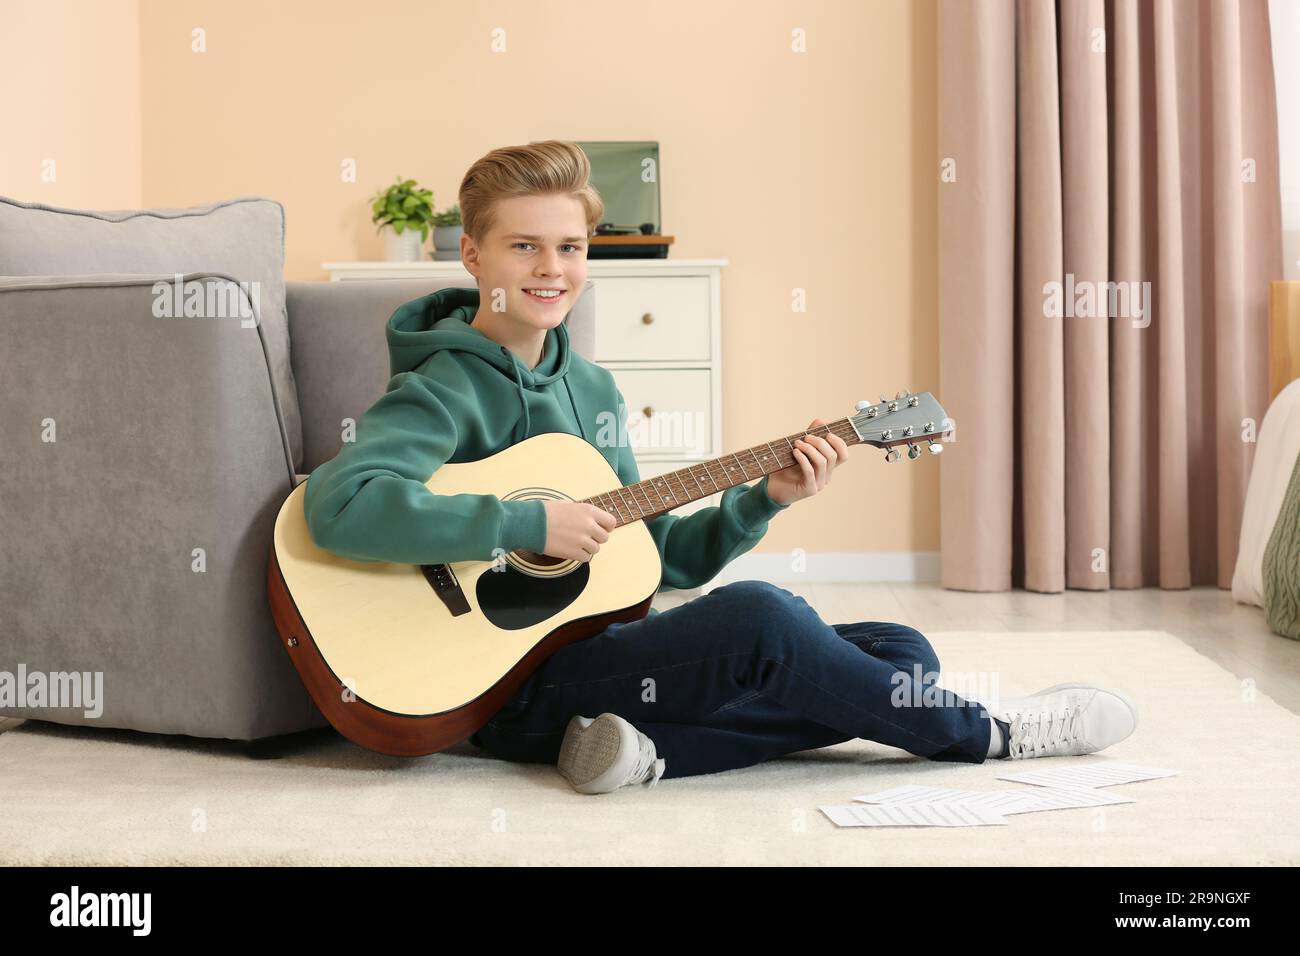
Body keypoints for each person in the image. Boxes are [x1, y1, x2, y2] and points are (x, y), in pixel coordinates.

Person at [304, 140, 1138, 795]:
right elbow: (341, 505)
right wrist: (525, 521)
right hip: (501, 687)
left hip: (607, 660)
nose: (550, 268)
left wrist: (763, 500)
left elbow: (660, 557)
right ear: (475, 259)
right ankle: (989, 732)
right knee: (767, 620)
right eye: (523, 246)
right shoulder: (441, 383)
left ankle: (653, 754)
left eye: (569, 246)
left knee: (900, 649)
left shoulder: (591, 389)